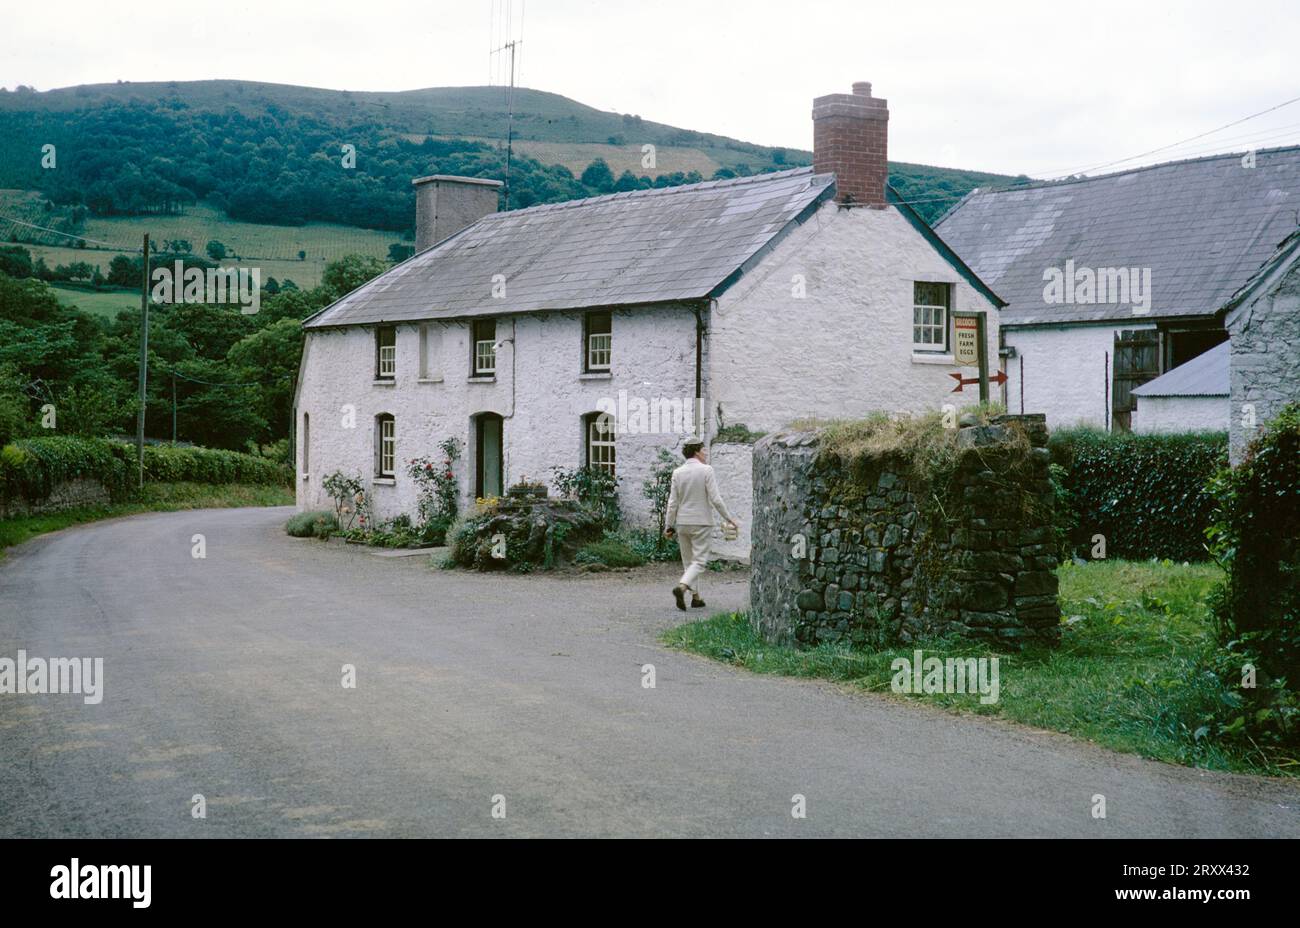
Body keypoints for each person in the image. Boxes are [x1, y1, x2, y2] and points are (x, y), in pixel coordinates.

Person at [664, 437, 738, 611]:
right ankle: (681, 587)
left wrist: (669, 526)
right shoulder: (706, 470)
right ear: (696, 451)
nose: (705, 453)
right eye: (704, 450)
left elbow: (672, 503)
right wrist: (729, 518)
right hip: (702, 522)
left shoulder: (677, 473)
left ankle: (696, 598)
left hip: (682, 523)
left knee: (688, 562)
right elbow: (716, 499)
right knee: (699, 562)